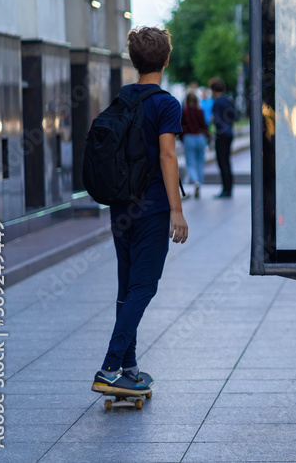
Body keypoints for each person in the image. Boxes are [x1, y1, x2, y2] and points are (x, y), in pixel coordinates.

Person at [92, 26, 188, 396]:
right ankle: (110, 367)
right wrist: (176, 211)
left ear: (133, 61)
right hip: (150, 210)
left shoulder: (121, 99)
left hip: (120, 207)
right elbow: (167, 155)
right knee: (144, 287)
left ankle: (128, 367)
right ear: (166, 59)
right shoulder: (165, 104)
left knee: (127, 286)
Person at [209, 77, 237, 199]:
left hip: (221, 135)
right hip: (229, 133)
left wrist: (215, 124)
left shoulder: (217, 102)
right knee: (227, 161)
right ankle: (229, 187)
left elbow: (216, 119)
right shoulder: (228, 100)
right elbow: (235, 116)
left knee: (222, 161)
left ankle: (225, 189)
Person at [180, 92, 210, 198]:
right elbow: (204, 125)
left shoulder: (184, 111)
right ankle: (199, 184)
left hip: (189, 138)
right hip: (200, 137)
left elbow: (180, 127)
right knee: (201, 163)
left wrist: (181, 138)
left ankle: (195, 180)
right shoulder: (199, 111)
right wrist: (209, 140)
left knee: (190, 164)